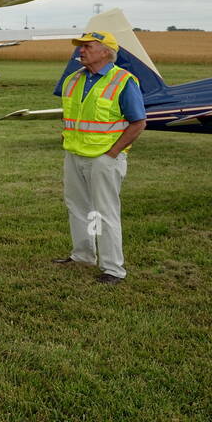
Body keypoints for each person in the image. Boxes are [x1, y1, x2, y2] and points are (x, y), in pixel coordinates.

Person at [52, 30, 146, 283]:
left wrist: (113, 152)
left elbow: (138, 122)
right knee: (77, 207)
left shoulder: (124, 81)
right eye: (80, 47)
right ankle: (82, 255)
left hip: (104, 158)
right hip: (74, 154)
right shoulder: (73, 79)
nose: (80, 51)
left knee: (105, 212)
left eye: (87, 47)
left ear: (106, 52)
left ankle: (113, 269)